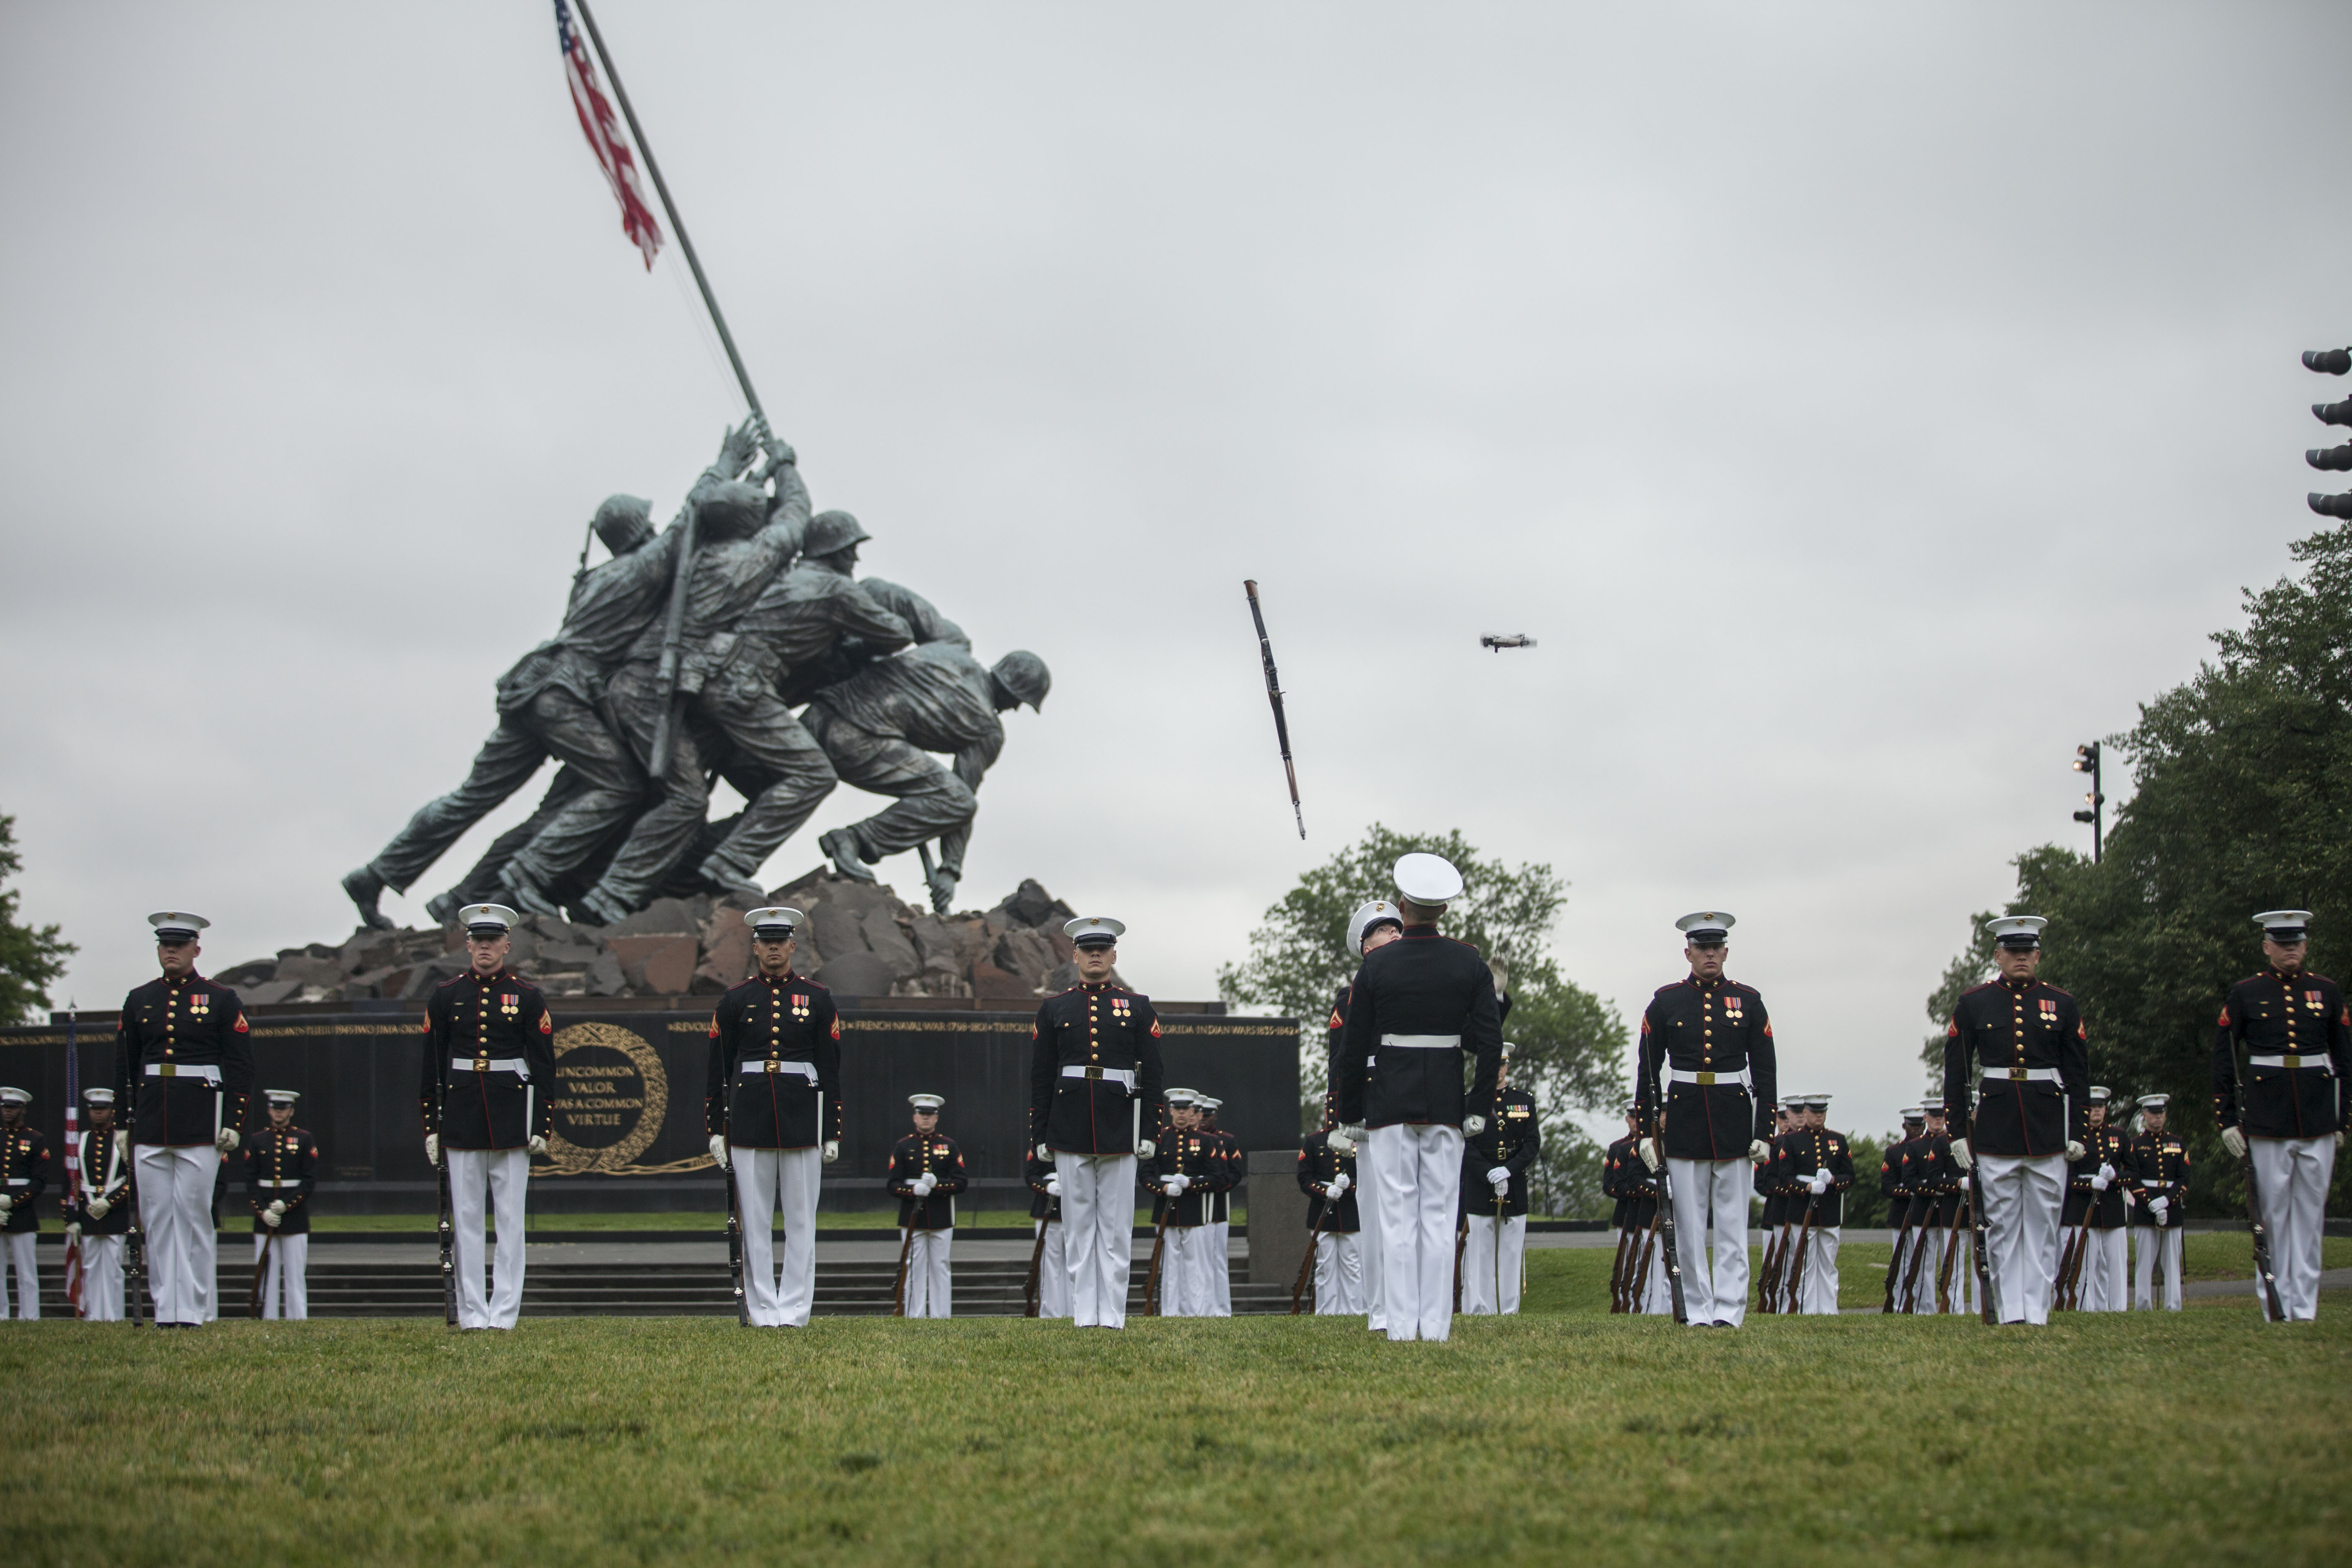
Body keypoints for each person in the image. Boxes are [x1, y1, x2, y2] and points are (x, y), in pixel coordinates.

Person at [343, 422, 766, 928]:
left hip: (532, 685)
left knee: (472, 797)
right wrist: (726, 463)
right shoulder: (639, 571)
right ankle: (527, 875)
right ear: (642, 532)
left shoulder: (594, 578)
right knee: (621, 786)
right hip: (563, 694)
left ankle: (380, 872)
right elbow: (691, 520)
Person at [574, 434, 818, 921]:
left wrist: (731, 468)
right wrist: (786, 466)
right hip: (650, 689)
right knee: (686, 798)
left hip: (643, 684)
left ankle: (627, 883)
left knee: (675, 792)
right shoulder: (751, 560)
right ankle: (612, 893)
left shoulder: (688, 553)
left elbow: (693, 510)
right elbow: (796, 515)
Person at [1332, 854, 1505, 1344]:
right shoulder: (1468, 963)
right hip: (1448, 1101)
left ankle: (1402, 1325)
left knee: (1397, 1214)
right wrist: (1478, 1107)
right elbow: (1489, 1042)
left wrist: (1349, 1114)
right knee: (1439, 1213)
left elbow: (1352, 1047)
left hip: (1389, 1102)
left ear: (1403, 907)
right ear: (1444, 911)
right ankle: (1437, 1324)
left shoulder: (1378, 965)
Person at [805, 642, 1050, 917]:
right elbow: (960, 802)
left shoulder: (949, 652)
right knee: (958, 801)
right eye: (1020, 701)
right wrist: (950, 870)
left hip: (816, 716)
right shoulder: (987, 728)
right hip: (853, 740)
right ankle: (853, 840)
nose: (1016, 709)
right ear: (1011, 691)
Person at [1632, 911, 1777, 1328]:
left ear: (1726, 951)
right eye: (1702, 948)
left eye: (1716, 948)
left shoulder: (1749, 1001)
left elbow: (1765, 1072)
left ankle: (1730, 1311)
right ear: (1688, 952)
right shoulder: (1666, 1002)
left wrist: (1764, 1130)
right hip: (1685, 1118)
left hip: (1733, 1117)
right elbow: (1647, 1071)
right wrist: (1646, 1131)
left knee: (1733, 1226)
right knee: (1691, 1228)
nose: (1709, 954)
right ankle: (1697, 1310)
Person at [1942, 915, 2088, 1327]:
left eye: (2028, 952)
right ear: (1998, 955)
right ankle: (2008, 1309)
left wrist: (2076, 1131)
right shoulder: (1975, 1002)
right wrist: (1956, 1131)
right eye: (2013, 952)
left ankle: (2037, 1309)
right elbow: (1957, 1073)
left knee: (2044, 1223)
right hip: (1997, 1124)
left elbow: (2079, 1076)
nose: (2021, 959)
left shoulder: (2062, 1003)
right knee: (2003, 1223)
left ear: (2038, 956)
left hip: (2047, 1124)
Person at [705, 906, 842, 1328]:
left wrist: (831, 1130)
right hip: (751, 1117)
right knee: (757, 1220)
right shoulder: (736, 999)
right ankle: (764, 1310)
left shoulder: (817, 997)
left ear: (793, 946)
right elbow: (718, 1069)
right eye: (767, 942)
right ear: (756, 947)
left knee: (802, 1222)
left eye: (780, 942)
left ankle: (796, 1311)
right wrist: (715, 1129)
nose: (774, 948)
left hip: (802, 1115)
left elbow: (831, 1067)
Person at [115, 911, 251, 1328]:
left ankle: (193, 1309)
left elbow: (239, 1065)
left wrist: (233, 1120)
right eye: (164, 945)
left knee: (192, 1217)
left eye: (178, 945)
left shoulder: (221, 998)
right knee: (157, 1219)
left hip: (199, 1121)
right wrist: (124, 1123)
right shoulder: (140, 999)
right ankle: (166, 1310)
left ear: (196, 948)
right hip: (153, 1120)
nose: (170, 951)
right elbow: (125, 1065)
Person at [420, 904, 552, 1331]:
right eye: (478, 941)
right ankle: (474, 1313)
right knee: (469, 1222)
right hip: (461, 1117)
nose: (484, 948)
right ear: (468, 945)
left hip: (512, 1116)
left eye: (492, 941)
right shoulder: (445, 995)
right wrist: (431, 1127)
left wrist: (541, 1126)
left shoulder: (527, 997)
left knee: (511, 1223)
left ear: (506, 946)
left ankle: (505, 1313)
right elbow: (431, 1066)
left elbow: (544, 1066)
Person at [1029, 916, 1165, 1329]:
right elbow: (1041, 1076)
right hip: (1070, 1127)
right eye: (1087, 949)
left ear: (1113, 955)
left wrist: (1148, 1133)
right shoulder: (1054, 1008)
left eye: (1102, 949)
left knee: (1117, 1228)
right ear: (1074, 956)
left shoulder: (1137, 1007)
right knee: (1079, 1225)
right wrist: (1040, 1134)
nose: (1095, 956)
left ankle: (1114, 1315)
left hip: (1120, 1124)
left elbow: (1154, 1074)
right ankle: (1085, 1314)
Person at [2212, 910, 2347, 1323]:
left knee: (2310, 1217)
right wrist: (2228, 1120)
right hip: (2267, 1118)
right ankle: (2275, 1303)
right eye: (2282, 944)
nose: (2291, 950)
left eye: (2297, 944)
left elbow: (2345, 1059)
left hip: (2317, 1116)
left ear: (2305, 947)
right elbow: (2224, 1060)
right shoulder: (2246, 993)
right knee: (2272, 1216)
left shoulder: (2326, 992)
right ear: (2267, 946)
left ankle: (2304, 1307)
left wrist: (2343, 1121)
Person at [1331, 899, 1404, 1332]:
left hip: (1415, 1102)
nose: (1395, 933)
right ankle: (1379, 1309)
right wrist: (1344, 1115)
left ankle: (1411, 1301)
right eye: (1383, 930)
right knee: (1376, 1214)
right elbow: (1340, 1059)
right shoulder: (1352, 995)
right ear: (1365, 945)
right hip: (1374, 1108)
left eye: (1397, 928)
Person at [1460, 1045, 1540, 1315]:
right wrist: (1487, 1173)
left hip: (1514, 1183)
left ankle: (1508, 1309)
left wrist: (1510, 1170)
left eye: (1503, 1064)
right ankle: (1480, 1309)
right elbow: (1465, 1146)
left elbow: (1532, 1144)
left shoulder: (1524, 1101)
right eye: (1493, 1064)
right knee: (1480, 1251)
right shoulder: (1470, 1101)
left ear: (1508, 1066)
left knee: (1510, 1251)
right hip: (1480, 1184)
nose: (1499, 1070)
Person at [1774, 1094, 1854, 1315]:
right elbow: (1784, 1177)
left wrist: (1834, 1181)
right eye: (1815, 1112)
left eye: (1823, 1112)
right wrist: (1807, 1187)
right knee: (1805, 1263)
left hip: (1829, 1211)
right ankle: (1807, 1309)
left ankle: (1829, 1310)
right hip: (1802, 1210)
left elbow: (1850, 1176)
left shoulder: (1838, 1140)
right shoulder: (1791, 1141)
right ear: (1806, 1112)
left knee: (1828, 1263)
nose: (1819, 1116)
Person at [889, 1093, 966, 1318]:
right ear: (914, 1117)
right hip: (912, 1218)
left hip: (941, 1217)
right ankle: (915, 1315)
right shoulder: (903, 1147)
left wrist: (939, 1185)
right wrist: (912, 1190)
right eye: (922, 1114)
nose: (926, 1119)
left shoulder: (949, 1146)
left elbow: (961, 1182)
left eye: (930, 1115)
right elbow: (892, 1184)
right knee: (914, 1268)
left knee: (941, 1267)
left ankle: (942, 1316)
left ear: (936, 1118)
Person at [245, 1089, 318, 1320]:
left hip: (294, 1216)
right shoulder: (258, 1140)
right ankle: (268, 1318)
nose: (279, 1113)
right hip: (265, 1214)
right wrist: (263, 1211)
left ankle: (297, 1318)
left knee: (295, 1272)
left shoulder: (305, 1139)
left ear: (292, 1111)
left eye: (283, 1109)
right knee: (267, 1271)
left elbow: (309, 1181)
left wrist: (287, 1205)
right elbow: (250, 1182)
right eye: (276, 1108)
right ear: (269, 1110)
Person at [2061, 1087, 2128, 1312]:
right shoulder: (2075, 1139)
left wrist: (2116, 1177)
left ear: (2105, 1109)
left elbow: (2135, 1174)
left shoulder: (2120, 1136)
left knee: (2117, 1264)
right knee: (2085, 1263)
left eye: (2099, 1107)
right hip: (2083, 1207)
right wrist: (2088, 1184)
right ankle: (2084, 1307)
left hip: (2112, 1207)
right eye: (2092, 1108)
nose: (2096, 1111)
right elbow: (2067, 1179)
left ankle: (2119, 1308)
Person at [1146, 1089, 1212, 1316]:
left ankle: (1196, 1312)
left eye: (1186, 1110)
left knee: (1195, 1266)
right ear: (1170, 1111)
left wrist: (1192, 1184)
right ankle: (1170, 1312)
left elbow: (1218, 1177)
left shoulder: (1205, 1141)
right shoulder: (1160, 1139)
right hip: (1166, 1208)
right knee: (1169, 1265)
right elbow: (1146, 1174)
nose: (1182, 1114)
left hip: (1193, 1208)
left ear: (1193, 1111)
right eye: (1178, 1109)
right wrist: (1163, 1188)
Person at [69, 1088, 131, 1321]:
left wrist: (110, 1202)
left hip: (114, 1212)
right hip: (88, 1211)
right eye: (94, 1110)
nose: (98, 1114)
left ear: (112, 1112)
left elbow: (132, 1179)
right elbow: (72, 1181)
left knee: (114, 1268)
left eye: (102, 1110)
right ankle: (94, 1315)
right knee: (91, 1266)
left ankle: (114, 1316)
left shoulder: (122, 1139)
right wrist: (71, 1219)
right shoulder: (80, 1140)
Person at [2125, 1093, 2189, 1312]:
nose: (2158, 1118)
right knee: (2144, 1261)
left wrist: (2167, 1201)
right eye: (2153, 1114)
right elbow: (2132, 1178)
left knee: (2172, 1261)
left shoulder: (2178, 1143)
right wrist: (2150, 1202)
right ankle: (2143, 1305)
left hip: (2171, 1207)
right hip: (2145, 1208)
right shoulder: (2135, 1145)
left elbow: (2184, 1178)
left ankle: (2174, 1306)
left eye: (2161, 1113)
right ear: (2144, 1115)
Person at [1297, 1118, 1363, 1314]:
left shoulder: (1358, 1139)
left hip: (1351, 1212)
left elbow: (1370, 1173)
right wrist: (1324, 1191)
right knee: (1325, 1266)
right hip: (1322, 1213)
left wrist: (1351, 1184)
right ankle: (1326, 1312)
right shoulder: (1314, 1141)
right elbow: (1304, 1177)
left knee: (1353, 1265)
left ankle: (1354, 1311)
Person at [0, 1086, 47, 1319]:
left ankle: (30, 1316)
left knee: (26, 1271)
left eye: (13, 1108)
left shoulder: (35, 1139)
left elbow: (39, 1181)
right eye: (5, 1107)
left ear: (23, 1110)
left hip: (23, 1212)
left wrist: (13, 1200)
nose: (8, 1112)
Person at [1195, 1094, 1238, 1317]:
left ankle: (1222, 1308)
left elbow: (1235, 1174)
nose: (1204, 1119)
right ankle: (1202, 1306)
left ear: (1215, 1116)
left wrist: (1214, 1186)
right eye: (1201, 1114)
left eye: (1208, 1115)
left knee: (1218, 1259)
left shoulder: (1227, 1140)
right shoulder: (1192, 1139)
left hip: (1218, 1207)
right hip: (1194, 1205)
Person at [1756, 1101, 1797, 1311]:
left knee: (1794, 1261)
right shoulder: (1771, 1146)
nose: (1786, 1122)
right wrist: (1790, 1189)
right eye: (1782, 1118)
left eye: (1787, 1117)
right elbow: (1762, 1184)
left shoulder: (1797, 1144)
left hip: (1797, 1209)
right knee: (1772, 1262)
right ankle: (1772, 1300)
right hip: (1775, 1211)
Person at [1024, 1146, 1068, 1319]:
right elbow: (1031, 1176)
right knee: (1050, 1266)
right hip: (1048, 1209)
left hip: (1075, 1208)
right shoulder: (1040, 1145)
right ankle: (1050, 1313)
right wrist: (1046, 1186)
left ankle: (1074, 1311)